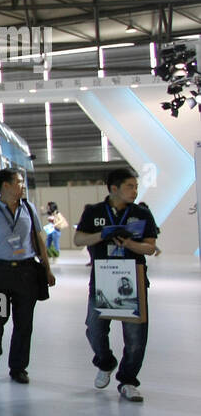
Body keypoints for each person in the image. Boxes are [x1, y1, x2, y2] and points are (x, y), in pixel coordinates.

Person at [72, 168, 158, 403]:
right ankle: (105, 361)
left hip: (132, 279)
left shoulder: (142, 213)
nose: (134, 190)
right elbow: (78, 239)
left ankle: (128, 381)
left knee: (135, 335)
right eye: (130, 186)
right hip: (102, 278)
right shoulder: (93, 212)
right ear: (114, 189)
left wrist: (130, 243)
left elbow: (150, 247)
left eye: (135, 186)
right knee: (95, 328)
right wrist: (102, 235)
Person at [0, 168, 57, 384]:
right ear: (5, 186)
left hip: (26, 273)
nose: (22, 186)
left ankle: (18, 367)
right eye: (18, 182)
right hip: (0, 274)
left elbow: (39, 239)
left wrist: (47, 269)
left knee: (24, 322)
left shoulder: (29, 209)